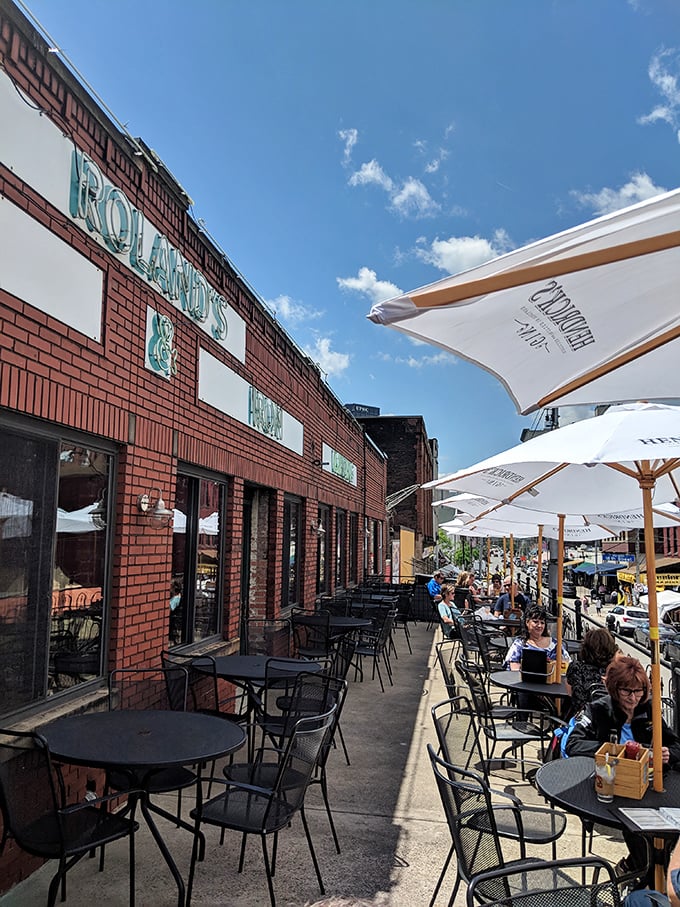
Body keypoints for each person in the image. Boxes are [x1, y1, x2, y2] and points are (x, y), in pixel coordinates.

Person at [566, 655, 680, 882]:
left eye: (639, 691)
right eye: (627, 691)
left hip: (651, 787)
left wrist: (669, 754)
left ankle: (640, 873)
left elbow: (675, 744)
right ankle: (643, 876)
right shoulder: (599, 709)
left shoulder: (649, 711)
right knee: (645, 842)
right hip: (614, 789)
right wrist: (613, 750)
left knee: (667, 841)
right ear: (614, 688)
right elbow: (573, 743)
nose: (633, 698)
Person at [565, 627, 617, 715]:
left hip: (582, 720)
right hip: (611, 722)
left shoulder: (576, 667)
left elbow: (570, 694)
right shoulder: (616, 671)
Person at [505, 604, 571, 671]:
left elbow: (567, 664)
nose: (539, 625)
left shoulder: (555, 644)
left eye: (542, 623)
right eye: (535, 622)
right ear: (527, 622)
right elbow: (514, 669)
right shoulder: (519, 644)